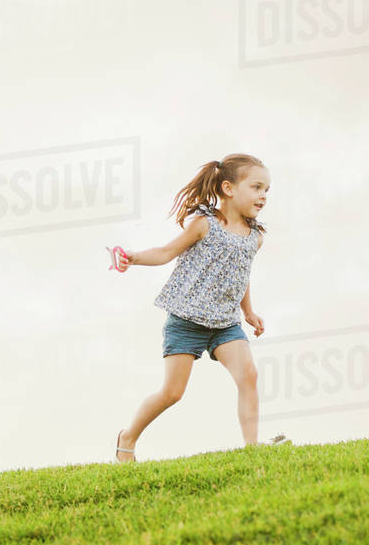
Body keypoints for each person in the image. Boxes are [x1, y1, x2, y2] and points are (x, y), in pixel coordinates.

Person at [110, 154, 288, 463]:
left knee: (249, 375)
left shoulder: (255, 238)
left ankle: (252, 450)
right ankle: (128, 438)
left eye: (267, 190)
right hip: (186, 321)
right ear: (228, 188)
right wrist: (133, 257)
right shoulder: (205, 224)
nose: (263, 196)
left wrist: (248, 312)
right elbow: (166, 252)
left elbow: (240, 274)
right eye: (257, 187)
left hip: (225, 324)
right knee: (172, 393)